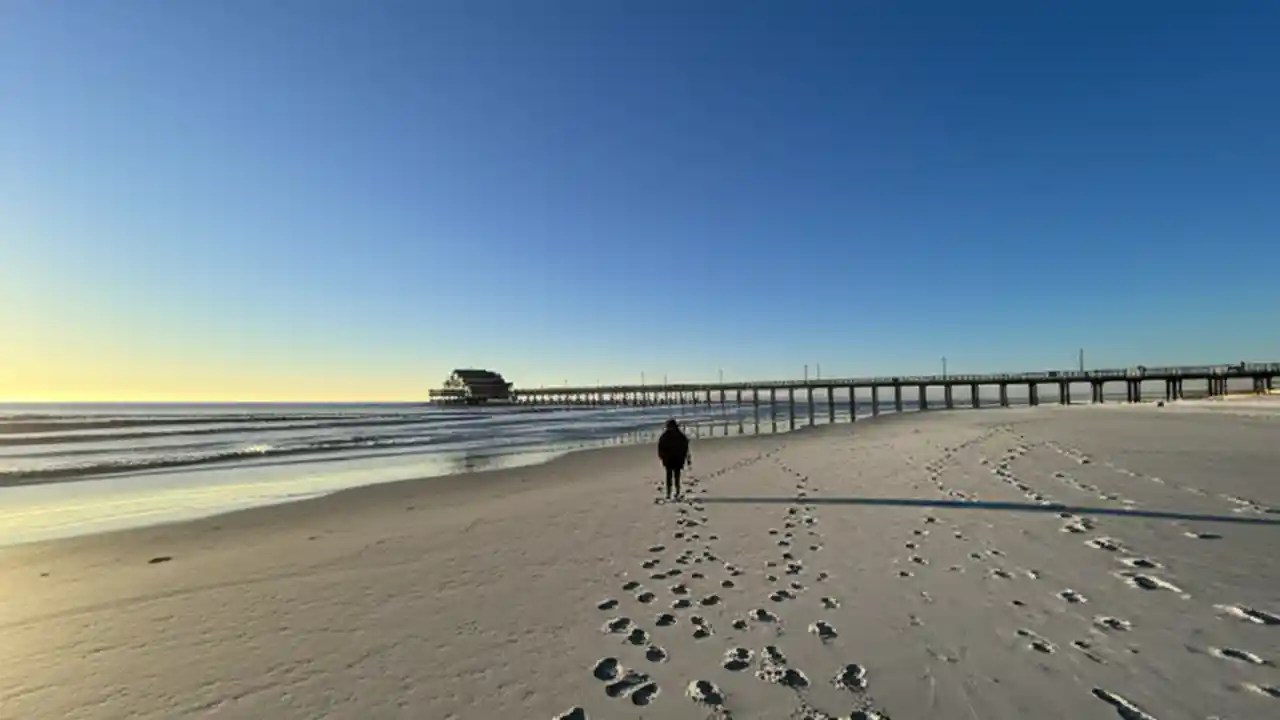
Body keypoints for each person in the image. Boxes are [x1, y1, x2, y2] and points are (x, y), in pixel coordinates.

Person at [657, 419, 691, 500]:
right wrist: (687, 458)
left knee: (672, 477)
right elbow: (686, 447)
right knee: (675, 477)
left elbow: (660, 448)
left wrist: (662, 457)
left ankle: (672, 493)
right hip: (676, 459)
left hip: (671, 459)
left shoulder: (665, 436)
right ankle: (675, 492)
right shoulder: (680, 435)